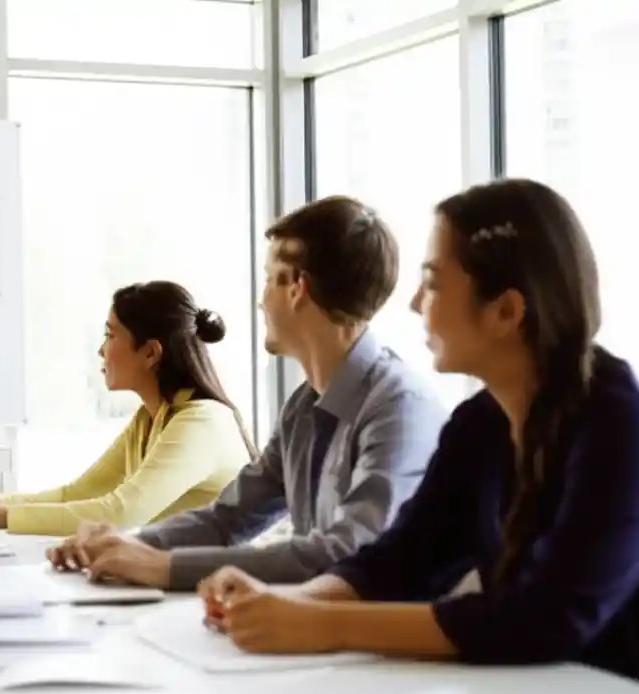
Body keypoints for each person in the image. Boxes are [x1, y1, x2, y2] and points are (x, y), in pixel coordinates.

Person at [199, 178, 639, 693]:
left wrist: (321, 625)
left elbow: (542, 619)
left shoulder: (631, 433)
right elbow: (401, 559)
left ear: (506, 311)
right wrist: (287, 602)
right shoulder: (481, 422)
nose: (414, 303)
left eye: (432, 282)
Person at [47, 196, 447, 591]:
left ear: (296, 288)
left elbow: (348, 551)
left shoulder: (399, 409)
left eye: (269, 278)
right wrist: (125, 546)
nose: (261, 301)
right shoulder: (304, 407)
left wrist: (165, 566)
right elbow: (229, 518)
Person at [0, 281, 254, 536]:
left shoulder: (201, 422)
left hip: (215, 589)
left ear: (150, 352)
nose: (101, 350)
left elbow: (121, 512)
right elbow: (78, 494)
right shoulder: (150, 418)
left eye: (110, 335)